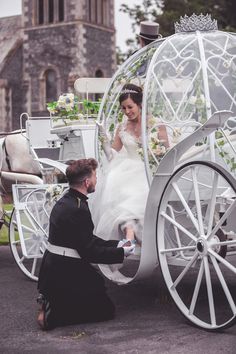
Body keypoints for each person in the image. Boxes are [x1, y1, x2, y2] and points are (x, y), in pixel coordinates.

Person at [37, 158, 135, 330]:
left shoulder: (67, 200)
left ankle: (53, 299)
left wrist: (118, 244)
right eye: (95, 176)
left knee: (97, 289)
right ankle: (53, 315)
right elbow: (90, 252)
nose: (97, 180)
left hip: (54, 266)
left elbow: (86, 239)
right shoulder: (78, 208)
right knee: (106, 311)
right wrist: (122, 254)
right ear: (86, 182)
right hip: (64, 270)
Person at [92, 84, 148, 245]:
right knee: (120, 190)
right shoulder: (122, 127)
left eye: (130, 107)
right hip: (128, 170)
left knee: (137, 193)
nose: (127, 111)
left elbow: (167, 151)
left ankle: (133, 237)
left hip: (150, 170)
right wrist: (104, 139)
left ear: (140, 105)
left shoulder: (154, 124)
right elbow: (112, 155)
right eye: (123, 108)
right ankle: (129, 237)